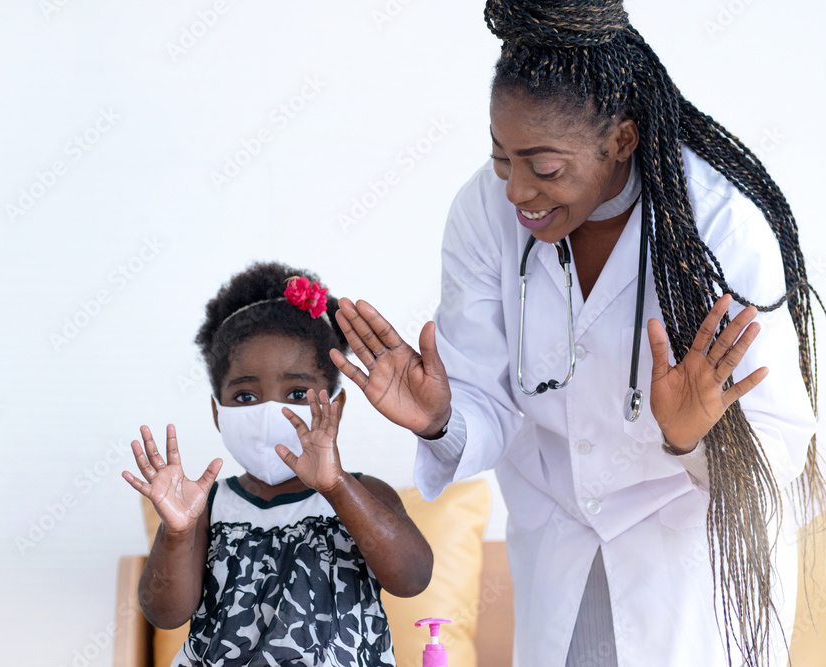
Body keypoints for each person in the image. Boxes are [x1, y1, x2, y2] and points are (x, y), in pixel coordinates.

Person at [328, 1, 823, 666]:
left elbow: (779, 448)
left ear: (619, 140)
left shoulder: (722, 231)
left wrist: (691, 435)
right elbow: (488, 394)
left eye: (544, 167)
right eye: (503, 159)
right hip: (557, 537)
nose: (516, 192)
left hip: (689, 566)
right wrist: (441, 416)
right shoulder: (483, 211)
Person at [122, 262, 433, 667]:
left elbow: (413, 579)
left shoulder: (364, 493)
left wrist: (337, 486)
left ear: (334, 406)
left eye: (298, 392)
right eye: (246, 397)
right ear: (218, 413)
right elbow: (164, 613)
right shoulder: (206, 506)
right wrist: (177, 533)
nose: (271, 411)